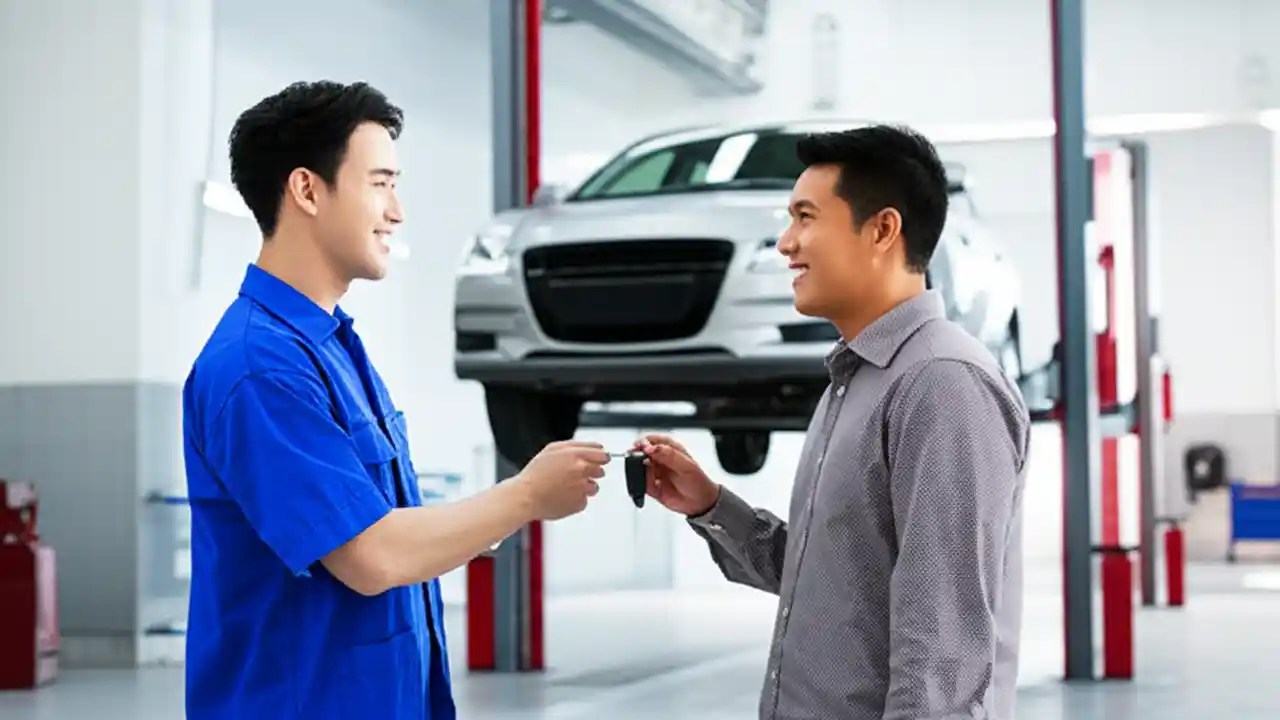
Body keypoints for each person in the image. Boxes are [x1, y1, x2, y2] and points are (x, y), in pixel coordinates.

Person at [181, 81, 609, 719]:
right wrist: (524, 495)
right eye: (380, 183)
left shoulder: (330, 347)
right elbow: (372, 555)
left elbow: (387, 524)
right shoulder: (259, 367)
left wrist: (502, 513)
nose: (397, 210)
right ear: (306, 190)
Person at [637, 125, 1031, 719]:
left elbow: (943, 649)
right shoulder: (857, 379)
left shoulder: (941, 384)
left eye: (805, 217)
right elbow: (826, 578)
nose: (785, 243)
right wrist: (710, 505)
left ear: (882, 230)